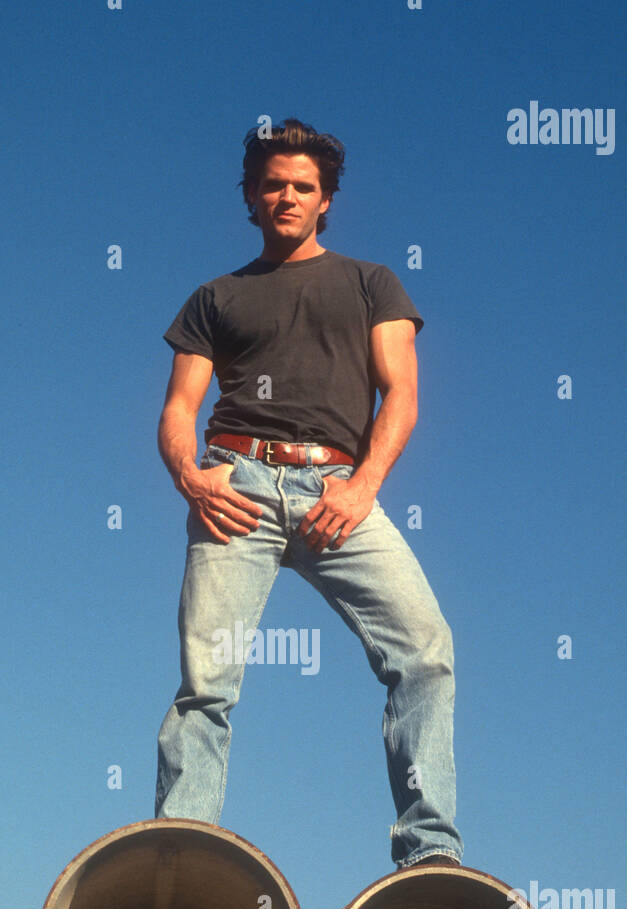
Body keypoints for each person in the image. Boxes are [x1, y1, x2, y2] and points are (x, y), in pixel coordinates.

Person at [153, 117, 463, 870]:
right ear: (250, 199)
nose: (287, 196)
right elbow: (177, 409)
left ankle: (429, 857)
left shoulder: (371, 283)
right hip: (238, 486)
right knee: (207, 682)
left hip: (336, 488)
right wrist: (190, 477)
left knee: (424, 652)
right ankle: (180, 856)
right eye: (272, 185)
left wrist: (361, 489)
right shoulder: (214, 296)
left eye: (303, 187)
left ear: (326, 201)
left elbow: (401, 396)